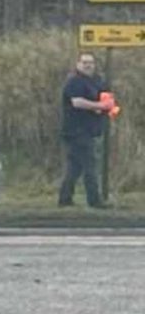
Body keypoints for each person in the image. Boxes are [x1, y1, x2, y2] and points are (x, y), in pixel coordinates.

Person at [59, 52, 110, 208]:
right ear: (78, 64)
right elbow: (77, 102)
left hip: (90, 130)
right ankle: (94, 201)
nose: (88, 65)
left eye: (91, 62)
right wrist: (99, 106)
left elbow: (104, 98)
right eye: (85, 62)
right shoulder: (74, 82)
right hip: (76, 131)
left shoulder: (96, 81)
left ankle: (65, 199)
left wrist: (108, 106)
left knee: (75, 167)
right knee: (90, 165)